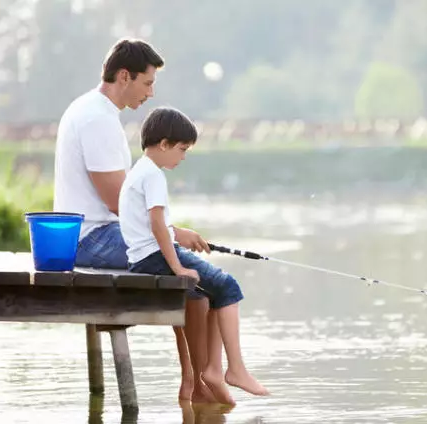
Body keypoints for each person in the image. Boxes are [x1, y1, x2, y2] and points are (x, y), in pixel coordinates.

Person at [52, 38, 227, 403]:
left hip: (98, 233)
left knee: (188, 271)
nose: (150, 93)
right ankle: (195, 386)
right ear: (124, 75)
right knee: (197, 279)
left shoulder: (94, 111)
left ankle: (196, 382)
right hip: (92, 239)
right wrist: (173, 234)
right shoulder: (97, 119)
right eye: (147, 83)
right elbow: (118, 202)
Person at [119, 106, 269, 399]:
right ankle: (235, 369)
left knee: (211, 292)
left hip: (142, 258)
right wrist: (177, 267)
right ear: (163, 144)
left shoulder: (139, 171)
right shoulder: (153, 176)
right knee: (228, 286)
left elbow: (155, 225)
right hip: (155, 257)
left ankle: (213, 369)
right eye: (182, 149)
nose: (183, 156)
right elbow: (158, 226)